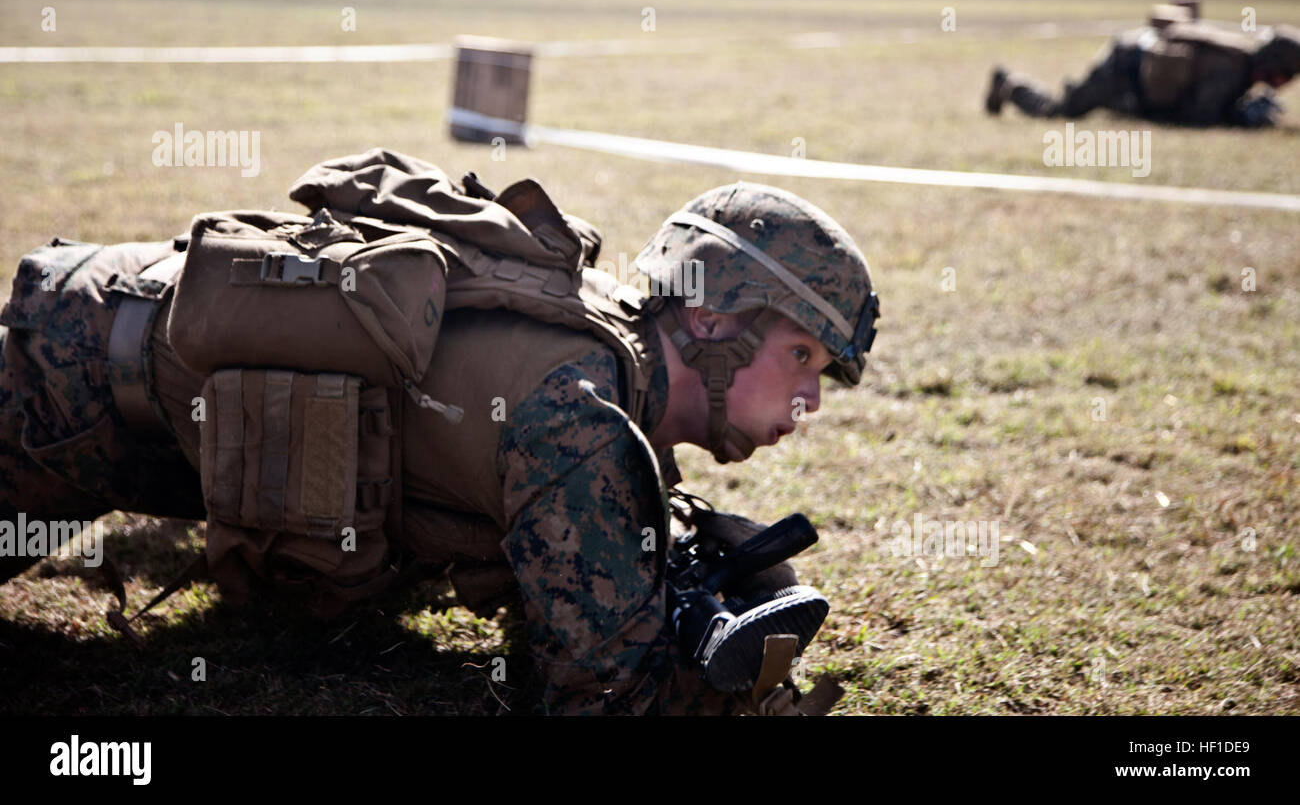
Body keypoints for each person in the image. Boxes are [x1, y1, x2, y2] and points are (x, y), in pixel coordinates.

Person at [0, 150, 880, 716]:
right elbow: (606, 696)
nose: (808, 403)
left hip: (151, 389)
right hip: (70, 381)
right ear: (712, 320)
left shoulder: (606, 366)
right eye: (801, 357)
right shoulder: (580, 415)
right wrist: (745, 690)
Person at [985, 19, 1300, 127]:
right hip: (1121, 70)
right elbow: (1199, 116)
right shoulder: (1233, 71)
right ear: (1277, 71)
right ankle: (1009, 85)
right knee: (1059, 112)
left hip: (1131, 66)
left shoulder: (1240, 61)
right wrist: (1242, 119)